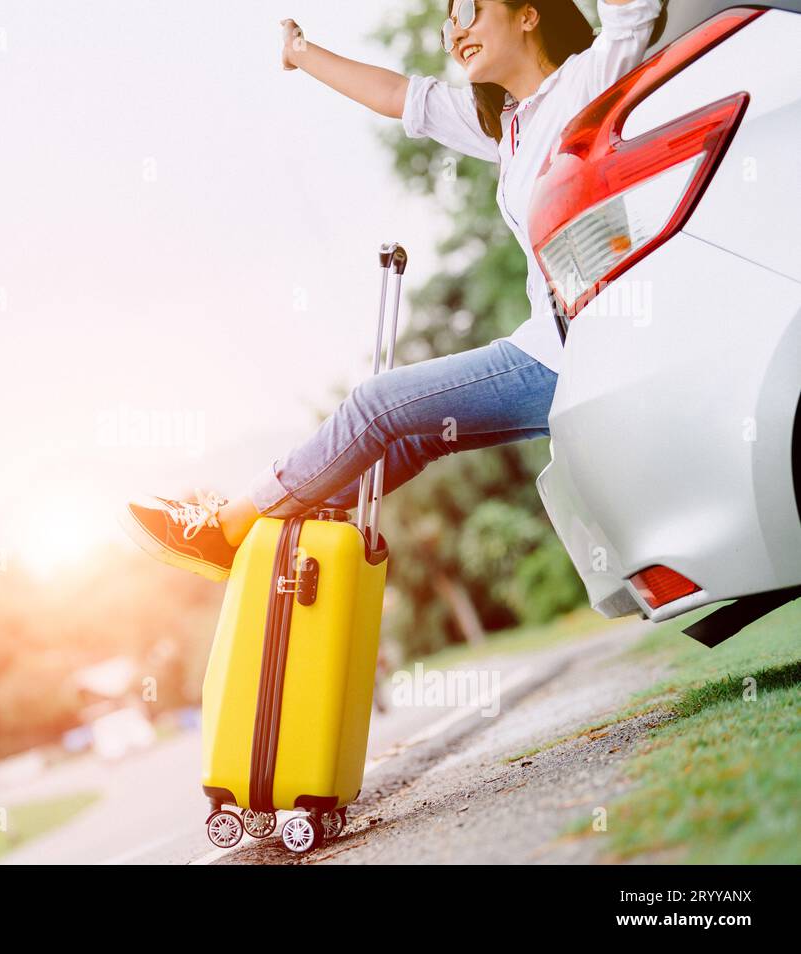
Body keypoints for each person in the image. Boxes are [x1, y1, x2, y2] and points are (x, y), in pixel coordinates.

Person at [119, 0, 665, 581]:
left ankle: (225, 529)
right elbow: (400, 96)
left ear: (528, 15)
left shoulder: (589, 81)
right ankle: (274, 525)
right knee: (413, 439)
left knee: (377, 404)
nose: (455, 33)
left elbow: (633, 14)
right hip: (551, 346)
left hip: (575, 349)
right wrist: (301, 53)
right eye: (448, 21)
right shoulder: (509, 128)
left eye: (469, 13)